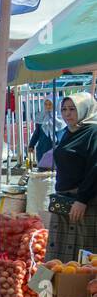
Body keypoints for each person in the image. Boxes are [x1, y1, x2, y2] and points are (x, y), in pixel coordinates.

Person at [46, 92, 97, 262]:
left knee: (82, 255)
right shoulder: (68, 132)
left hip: (84, 202)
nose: (67, 114)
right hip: (64, 200)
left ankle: (79, 288)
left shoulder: (93, 132)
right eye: (64, 109)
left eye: (73, 109)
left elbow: (95, 168)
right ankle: (54, 289)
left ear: (84, 110)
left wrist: (82, 199)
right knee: (58, 254)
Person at [28, 97, 65, 167]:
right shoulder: (40, 118)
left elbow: (63, 134)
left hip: (56, 148)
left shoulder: (60, 119)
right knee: (43, 169)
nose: (48, 106)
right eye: (46, 104)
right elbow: (37, 133)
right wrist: (31, 145)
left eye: (50, 104)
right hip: (43, 148)